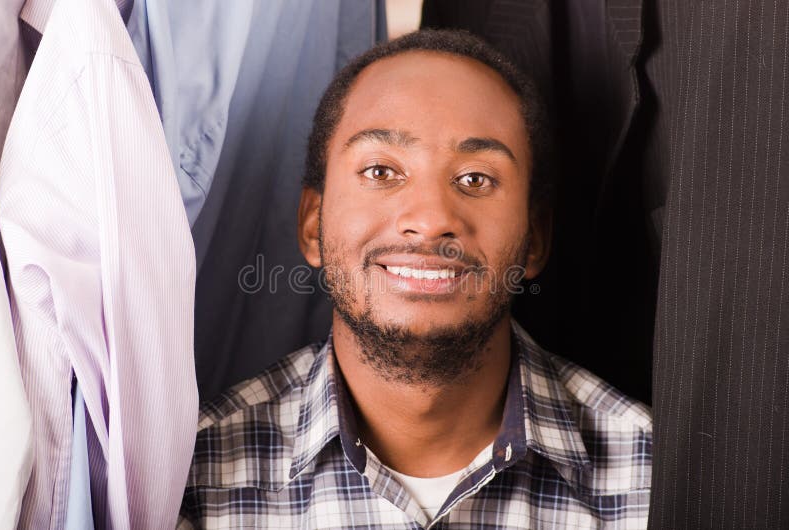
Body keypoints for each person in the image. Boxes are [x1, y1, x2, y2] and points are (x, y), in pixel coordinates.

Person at [177, 29, 652, 529]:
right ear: (313, 224)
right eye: (382, 171)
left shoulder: (659, 480)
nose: (429, 218)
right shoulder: (192, 486)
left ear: (534, 239)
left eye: (475, 178)